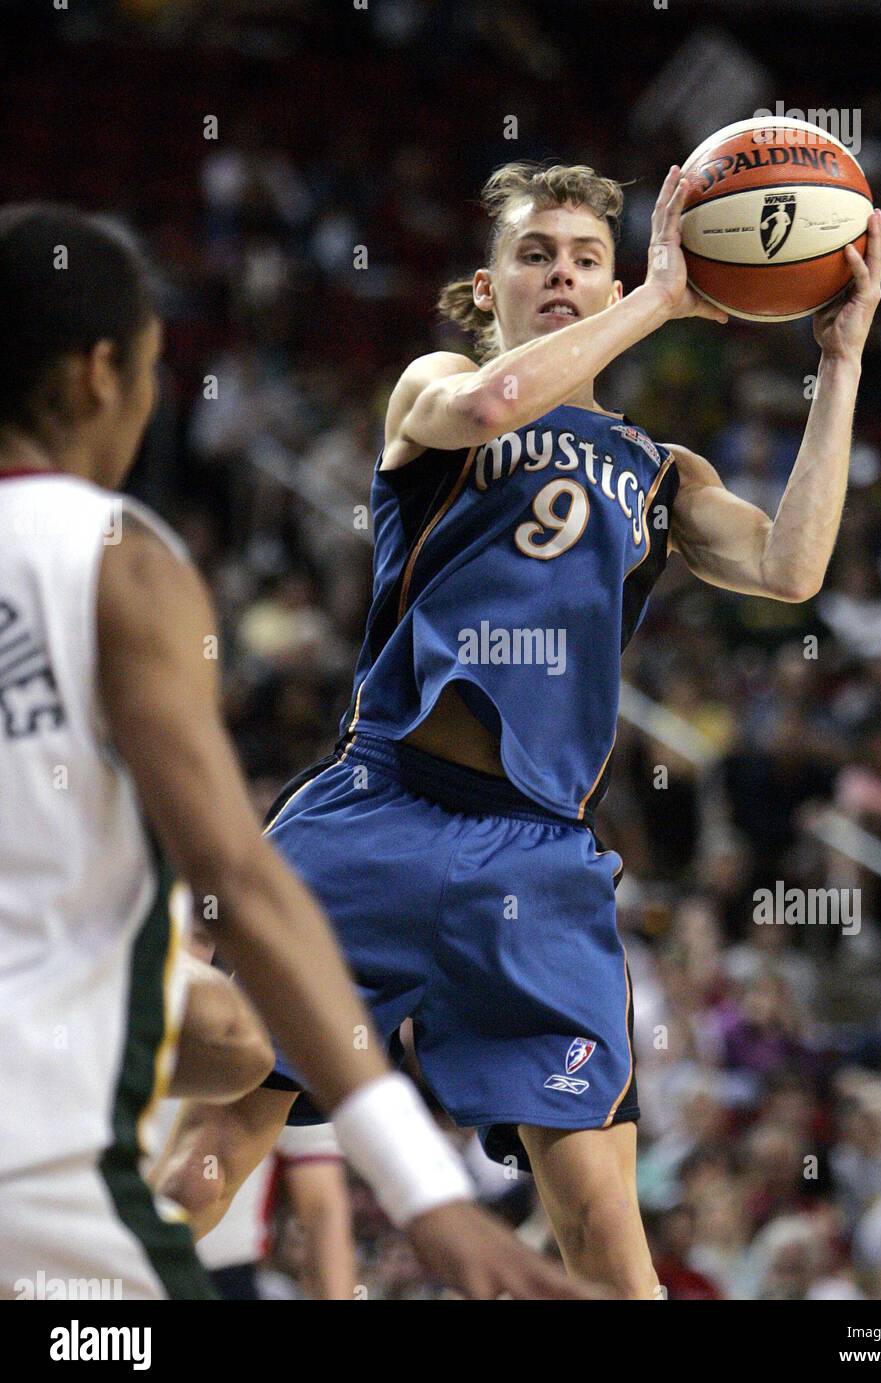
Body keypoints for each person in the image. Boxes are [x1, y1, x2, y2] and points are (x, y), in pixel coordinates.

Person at [161, 159, 881, 1298]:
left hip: (542, 855)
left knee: (608, 1239)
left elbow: (792, 567)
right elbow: (497, 403)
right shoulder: (436, 385)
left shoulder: (659, 470)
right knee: (208, 1160)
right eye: (536, 254)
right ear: (486, 282)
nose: (562, 274)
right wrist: (662, 295)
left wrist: (838, 363)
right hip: (374, 816)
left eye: (586, 258)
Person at [0, 202, 585, 1300]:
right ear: (94, 375)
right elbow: (240, 884)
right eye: (151, 369)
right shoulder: (113, 560)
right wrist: (428, 1192)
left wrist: (201, 1028)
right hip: (41, 1183)